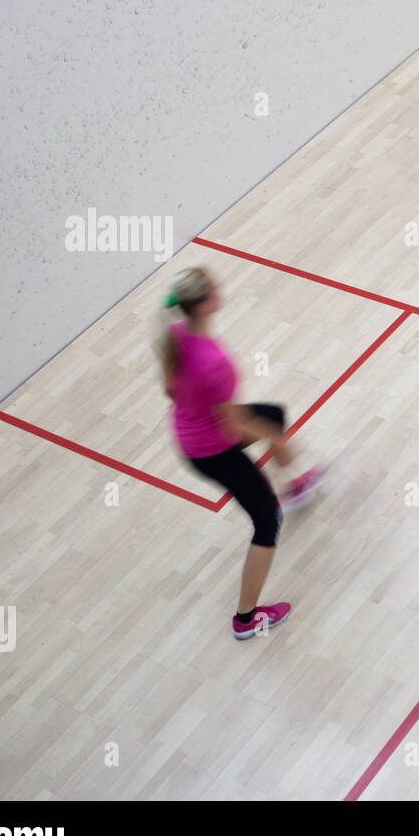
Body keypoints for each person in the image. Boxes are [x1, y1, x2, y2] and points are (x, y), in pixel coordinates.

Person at [156, 266, 326, 639]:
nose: (221, 289)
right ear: (202, 305)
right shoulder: (213, 363)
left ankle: (294, 487)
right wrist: (276, 441)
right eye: (215, 288)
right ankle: (246, 619)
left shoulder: (175, 335)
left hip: (191, 436)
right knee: (267, 521)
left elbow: (170, 391)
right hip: (211, 452)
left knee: (273, 415)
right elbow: (232, 427)